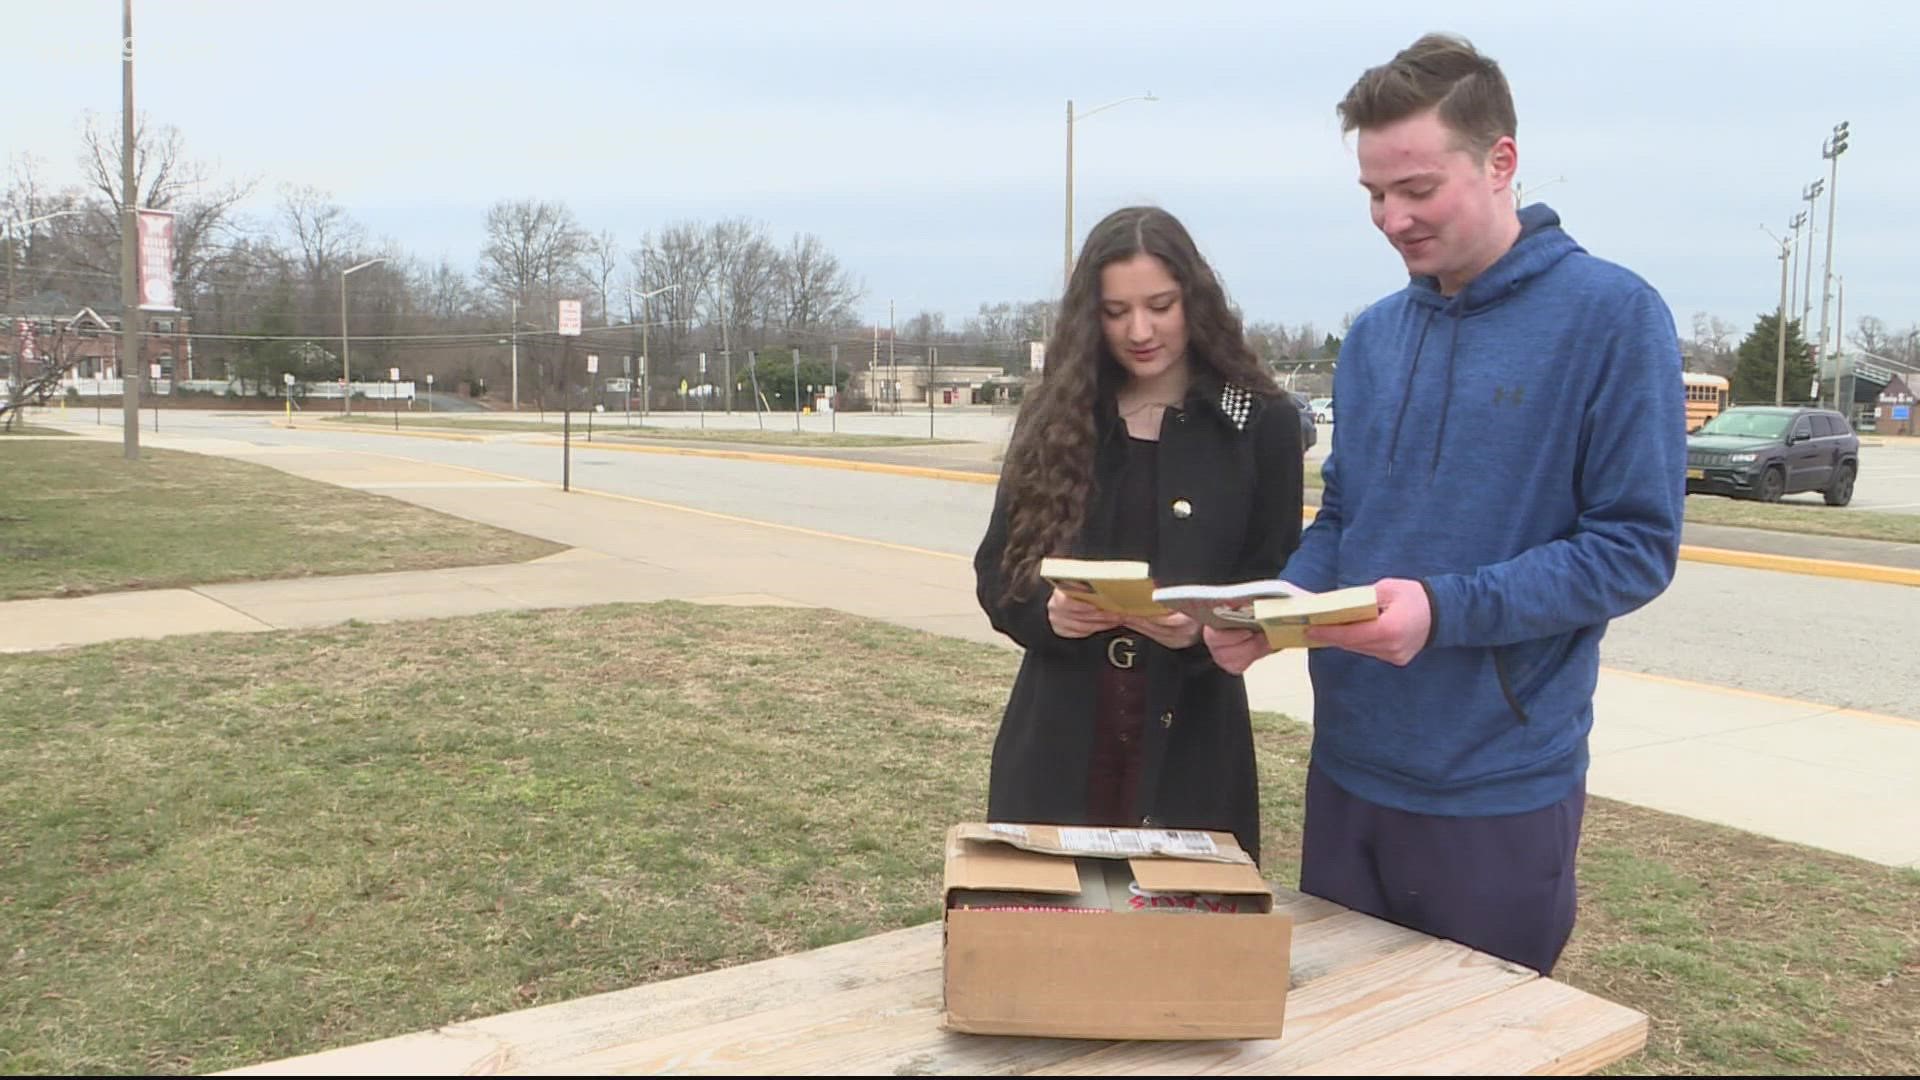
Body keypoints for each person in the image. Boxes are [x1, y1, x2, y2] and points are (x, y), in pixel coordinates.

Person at [1203, 33, 1686, 973]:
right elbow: (1345, 517)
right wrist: (1280, 613)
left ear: (1501, 161)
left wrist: (1447, 609)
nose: (1391, 218)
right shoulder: (1377, 336)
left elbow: (1634, 547)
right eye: (1375, 194)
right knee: (1346, 1041)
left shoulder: (1614, 317)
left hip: (1497, 787)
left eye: (1416, 190)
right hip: (1350, 768)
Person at [973, 205, 1305, 864]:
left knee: (1183, 947)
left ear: (1194, 299)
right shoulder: (1058, 413)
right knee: (1050, 945)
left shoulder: (1261, 423)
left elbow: (1277, 584)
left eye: (1160, 305)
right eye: (1115, 311)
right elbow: (997, 576)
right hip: (1059, 737)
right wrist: (1050, 614)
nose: (1140, 330)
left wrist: (1206, 630)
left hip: (1194, 745)